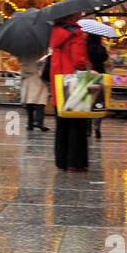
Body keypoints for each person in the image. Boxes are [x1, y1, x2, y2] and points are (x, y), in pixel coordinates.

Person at [50, 16, 91, 172]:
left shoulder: (54, 33)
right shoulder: (76, 33)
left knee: (61, 125)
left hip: (58, 84)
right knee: (77, 124)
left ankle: (62, 161)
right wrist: (89, 66)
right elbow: (79, 61)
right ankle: (75, 161)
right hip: (74, 84)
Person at [85, 33, 109, 141]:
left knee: (89, 102)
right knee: (99, 101)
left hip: (89, 75)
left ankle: (88, 128)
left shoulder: (86, 48)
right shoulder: (102, 49)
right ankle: (98, 126)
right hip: (100, 76)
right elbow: (105, 58)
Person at [19, 52, 50, 132]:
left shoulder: (23, 53)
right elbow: (43, 66)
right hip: (39, 78)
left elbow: (22, 68)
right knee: (41, 101)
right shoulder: (41, 52)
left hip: (28, 79)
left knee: (30, 101)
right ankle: (38, 121)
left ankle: (30, 124)